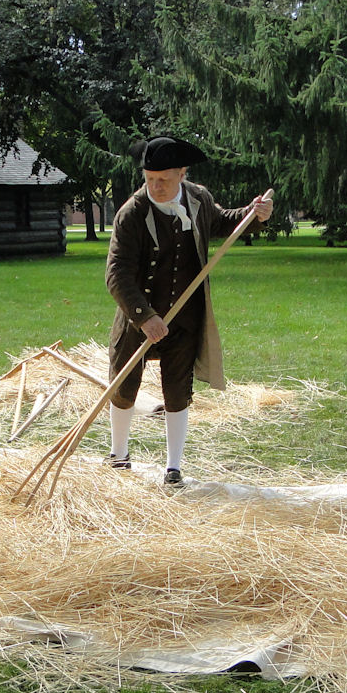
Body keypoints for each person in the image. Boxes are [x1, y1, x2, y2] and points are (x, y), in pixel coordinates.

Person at [104, 136, 273, 486]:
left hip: (185, 316)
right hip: (139, 317)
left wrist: (253, 215)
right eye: (150, 179)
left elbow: (223, 222)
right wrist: (144, 316)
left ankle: (173, 467)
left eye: (164, 178)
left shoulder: (198, 198)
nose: (156, 186)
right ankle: (119, 455)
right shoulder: (131, 214)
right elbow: (116, 273)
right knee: (124, 385)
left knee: (178, 390)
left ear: (182, 173)